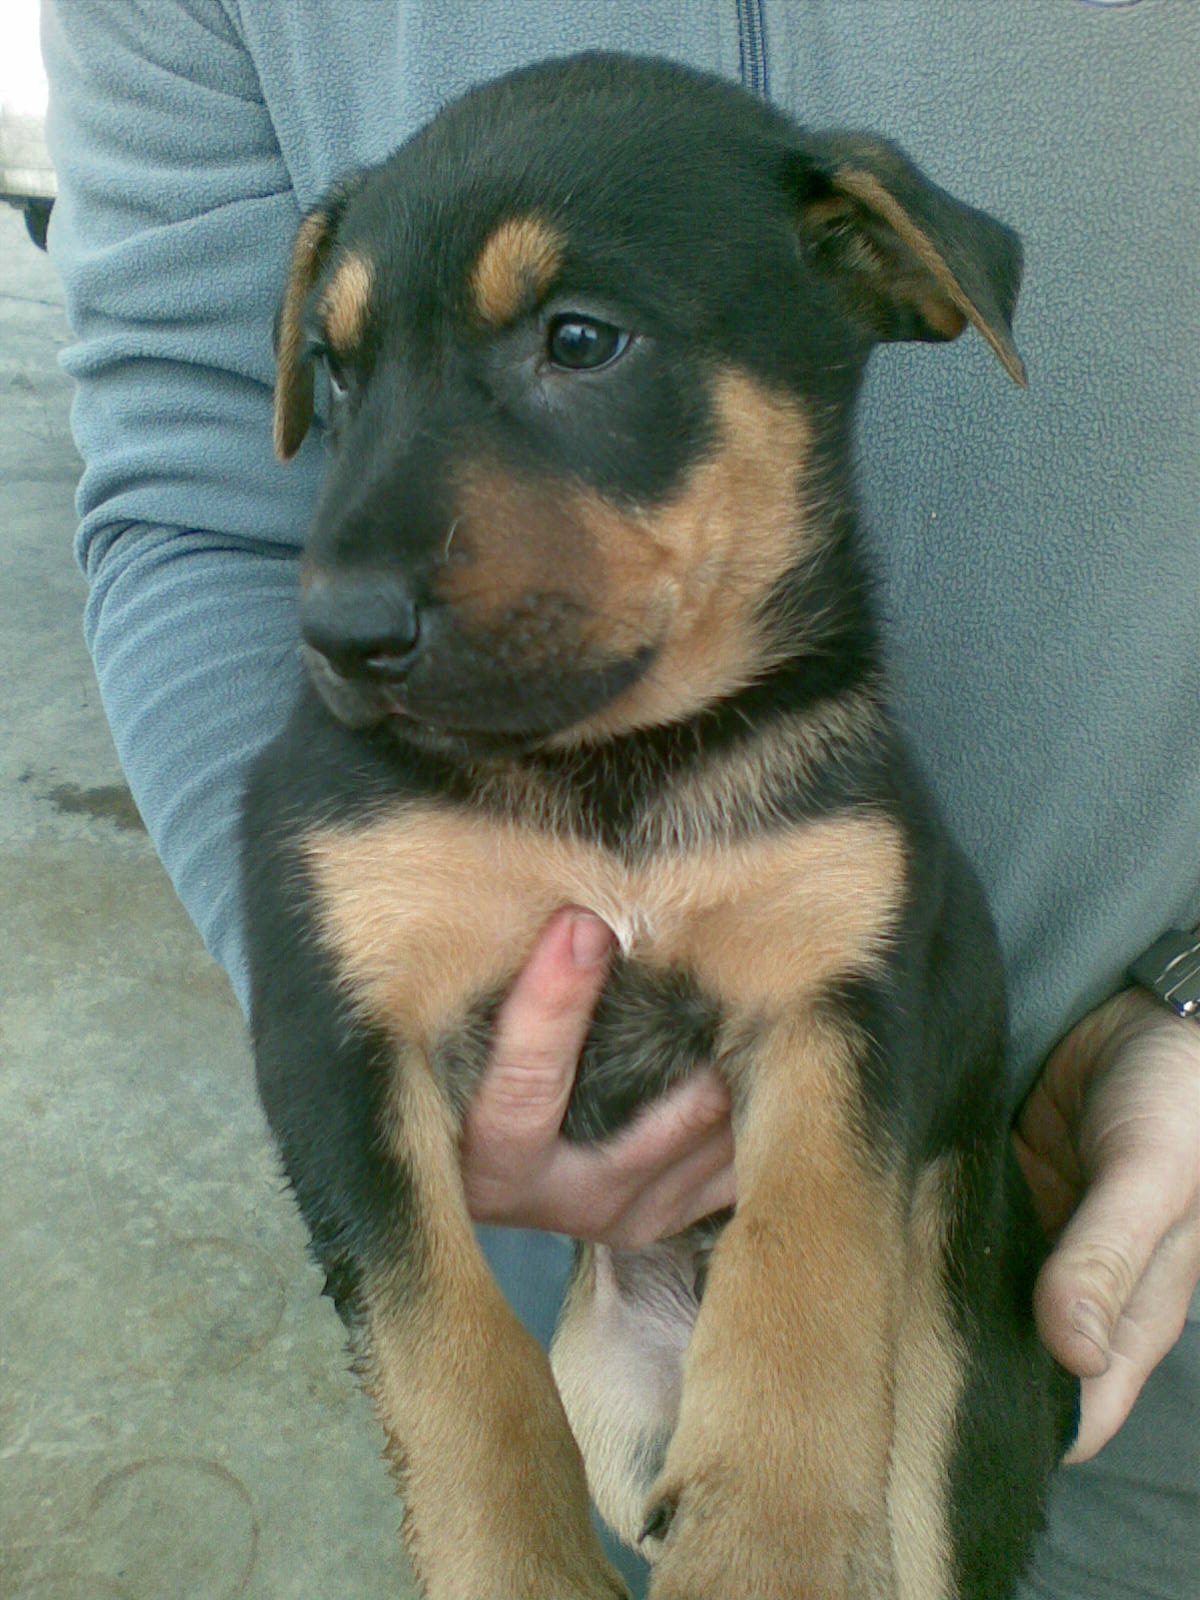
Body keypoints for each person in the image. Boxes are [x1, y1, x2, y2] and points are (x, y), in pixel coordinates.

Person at [41, 2, 1199, 1595]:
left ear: (881, 270)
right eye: (349, 361)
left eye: (577, 343)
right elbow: (184, 500)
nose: (358, 579)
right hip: (572, 1301)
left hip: (1088, 1229)